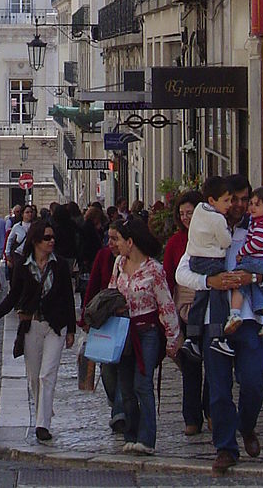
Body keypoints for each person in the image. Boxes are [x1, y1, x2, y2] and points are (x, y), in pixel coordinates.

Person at [176, 175, 263, 475]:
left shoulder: (260, 229)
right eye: (235, 199)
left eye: (245, 199)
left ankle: (248, 426)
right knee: (218, 389)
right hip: (215, 320)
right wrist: (208, 281)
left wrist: (255, 278)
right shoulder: (204, 229)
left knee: (253, 382)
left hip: (250, 319)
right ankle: (225, 447)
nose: (239, 205)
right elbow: (182, 272)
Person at [0, 218, 76, 443]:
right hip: (31, 325)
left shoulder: (59, 265)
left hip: (54, 327)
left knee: (46, 375)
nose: (51, 241)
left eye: (53, 238)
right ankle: (44, 411)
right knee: (34, 378)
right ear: (36, 241)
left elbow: (68, 298)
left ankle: (42, 424)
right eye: (47, 238)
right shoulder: (23, 266)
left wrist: (71, 329)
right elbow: (13, 296)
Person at [108, 216, 181, 455]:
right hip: (122, 332)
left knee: (143, 384)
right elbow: (111, 292)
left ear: (131, 242)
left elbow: (166, 304)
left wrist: (172, 338)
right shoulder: (119, 263)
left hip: (146, 332)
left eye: (118, 239)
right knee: (126, 387)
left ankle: (147, 438)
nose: (115, 244)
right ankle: (131, 435)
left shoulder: (154, 270)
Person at [163, 190, 210, 436]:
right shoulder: (175, 242)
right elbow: (169, 275)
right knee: (190, 364)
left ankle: (211, 411)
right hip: (184, 309)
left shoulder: (211, 237)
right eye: (181, 214)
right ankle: (191, 417)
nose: (185, 218)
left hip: (211, 304)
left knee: (213, 362)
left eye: (190, 213)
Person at [80, 222, 126, 432]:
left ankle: (120, 412)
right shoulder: (104, 256)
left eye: (114, 238)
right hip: (104, 320)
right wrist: (86, 317)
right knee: (107, 368)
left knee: (124, 366)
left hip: (126, 321)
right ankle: (116, 404)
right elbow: (93, 287)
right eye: (109, 238)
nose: (110, 243)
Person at [182, 176, 234, 358]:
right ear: (212, 200)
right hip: (213, 261)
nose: (229, 205)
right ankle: (218, 336)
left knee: (200, 297)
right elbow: (226, 242)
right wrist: (228, 232)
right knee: (218, 296)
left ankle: (192, 337)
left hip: (196, 259)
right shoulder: (218, 219)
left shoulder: (198, 210)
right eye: (226, 200)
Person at [229, 185, 263, 336]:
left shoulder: (261, 224)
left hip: (257, 260)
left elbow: (256, 243)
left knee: (238, 278)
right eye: (251, 203)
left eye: (257, 205)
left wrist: (241, 252)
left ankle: (234, 313)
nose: (252, 207)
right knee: (260, 288)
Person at [6, 204, 35, 273]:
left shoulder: (35, 226)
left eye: (31, 212)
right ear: (22, 214)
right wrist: (7, 254)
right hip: (19, 254)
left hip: (31, 255)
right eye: (27, 212)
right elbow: (10, 240)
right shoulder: (17, 227)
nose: (30, 214)